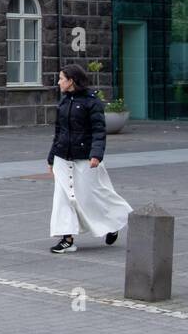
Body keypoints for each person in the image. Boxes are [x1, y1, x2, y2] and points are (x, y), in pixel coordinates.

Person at [48, 63, 133, 253]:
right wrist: (51, 158)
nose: (59, 82)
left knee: (91, 195)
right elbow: (58, 132)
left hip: (85, 157)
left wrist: (96, 154)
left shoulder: (91, 102)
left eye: (62, 78)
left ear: (71, 81)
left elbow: (98, 130)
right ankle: (67, 239)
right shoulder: (63, 102)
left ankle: (115, 222)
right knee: (63, 197)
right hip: (63, 157)